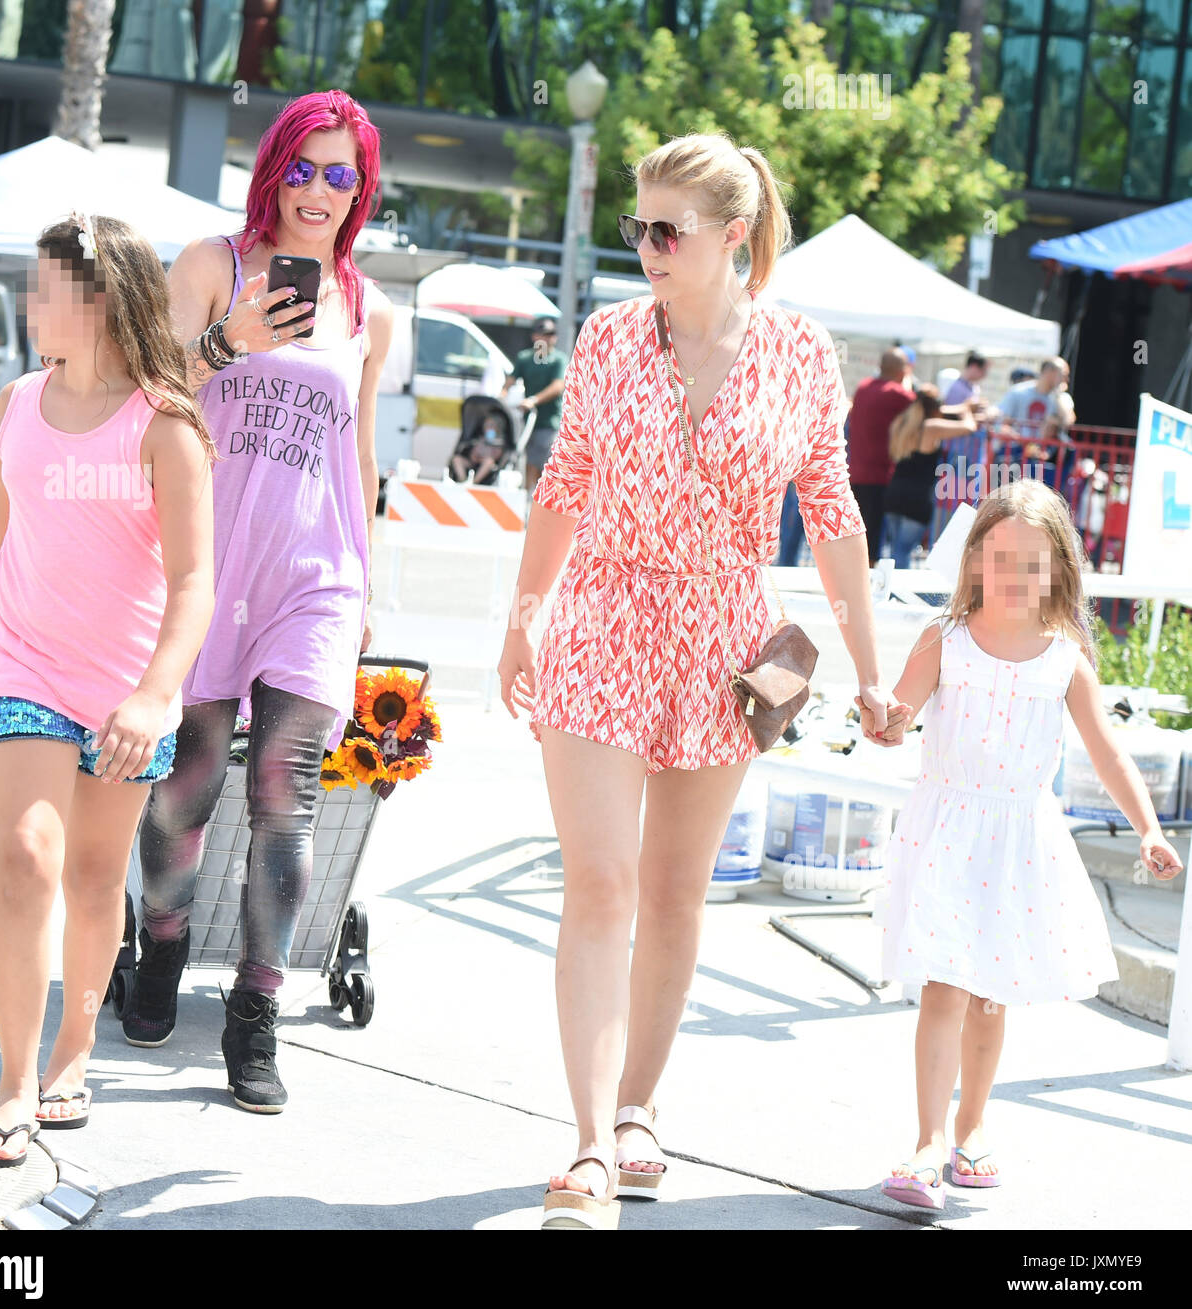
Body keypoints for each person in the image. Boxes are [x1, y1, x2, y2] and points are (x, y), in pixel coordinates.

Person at [497, 131, 906, 1230]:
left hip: (729, 641)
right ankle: (586, 1145)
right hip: (602, 616)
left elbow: (833, 517)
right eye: (637, 226)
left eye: (666, 231)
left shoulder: (800, 352)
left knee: (677, 894)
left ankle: (637, 1107)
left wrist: (870, 671)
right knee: (601, 884)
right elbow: (564, 480)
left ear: (733, 237)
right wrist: (523, 614)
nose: (646, 248)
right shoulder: (607, 337)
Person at [126, 91, 393, 1116]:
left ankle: (256, 1011)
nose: (321, 190)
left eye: (342, 174)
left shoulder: (367, 307)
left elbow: (361, 455)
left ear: (360, 187)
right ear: (273, 167)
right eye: (305, 167)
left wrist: (364, 577)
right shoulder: (211, 265)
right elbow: (142, 388)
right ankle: (160, 949)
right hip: (206, 558)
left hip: (313, 573)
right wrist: (228, 338)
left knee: (288, 786)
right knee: (188, 779)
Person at [0, 213, 216, 1167]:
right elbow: (4, 538)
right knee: (26, 856)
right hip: (23, 668)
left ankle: (73, 1055)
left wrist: (154, 696)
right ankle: (15, 1087)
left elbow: (195, 581)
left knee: (98, 875)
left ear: (99, 301)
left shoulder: (167, 426)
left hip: (125, 686)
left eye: (44, 287)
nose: (31, 304)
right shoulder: (18, 400)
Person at [860, 479, 1183, 1210]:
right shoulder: (943, 641)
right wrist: (884, 719)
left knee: (989, 997)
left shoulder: (1063, 659)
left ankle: (972, 1125)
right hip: (947, 831)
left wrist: (1149, 827)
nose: (1013, 575)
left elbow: (1108, 755)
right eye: (999, 557)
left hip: (1017, 845)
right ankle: (928, 1140)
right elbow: (900, 716)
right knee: (942, 985)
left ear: (1058, 571)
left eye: (1031, 562)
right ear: (975, 561)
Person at [880, 385, 978, 567]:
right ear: (934, 407)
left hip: (894, 493)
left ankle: (888, 589)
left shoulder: (901, 422)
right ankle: (897, 592)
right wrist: (966, 411)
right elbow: (969, 427)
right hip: (916, 499)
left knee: (894, 548)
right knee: (903, 550)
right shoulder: (930, 427)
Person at [848, 348, 914, 565]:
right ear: (901, 370)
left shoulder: (863, 386)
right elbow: (922, 408)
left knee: (856, 533)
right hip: (878, 476)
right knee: (871, 539)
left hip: (854, 471)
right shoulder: (896, 393)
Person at [502, 316, 566, 493]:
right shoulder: (525, 358)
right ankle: (530, 502)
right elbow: (511, 380)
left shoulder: (558, 360)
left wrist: (534, 400)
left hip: (549, 422)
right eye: (543, 333)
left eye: (551, 334)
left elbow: (558, 386)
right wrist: (502, 396)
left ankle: (537, 501)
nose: (546, 338)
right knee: (528, 463)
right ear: (534, 336)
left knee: (545, 465)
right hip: (527, 422)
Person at [449, 415, 507, 484]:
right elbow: (473, 454)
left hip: (487, 465)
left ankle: (474, 482)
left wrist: (483, 457)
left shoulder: (499, 442)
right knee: (457, 459)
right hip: (475, 462)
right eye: (486, 425)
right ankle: (462, 480)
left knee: (489, 462)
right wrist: (476, 458)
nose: (488, 428)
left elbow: (497, 457)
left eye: (491, 425)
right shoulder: (480, 439)